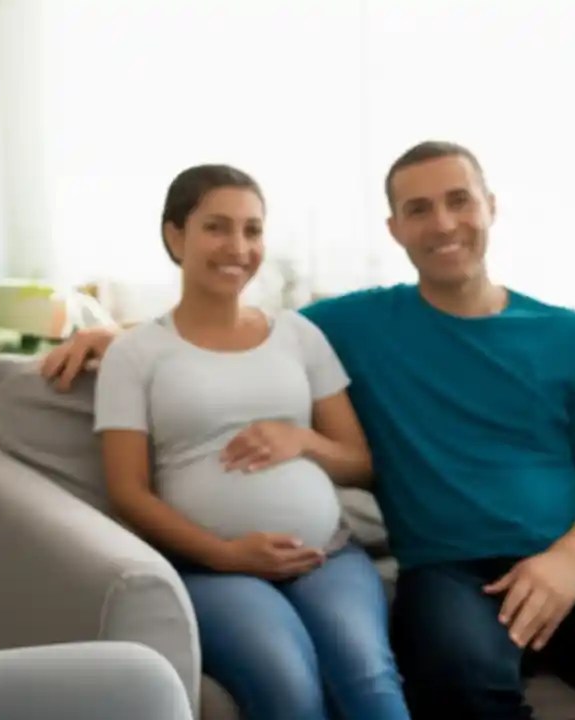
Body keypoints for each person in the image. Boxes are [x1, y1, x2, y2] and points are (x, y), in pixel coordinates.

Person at [43, 142, 575, 719]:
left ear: (490, 207)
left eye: (459, 201)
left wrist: (567, 562)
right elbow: (228, 327)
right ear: (395, 228)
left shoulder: (571, 338)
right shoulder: (357, 324)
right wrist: (114, 333)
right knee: (455, 688)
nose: (442, 224)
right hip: (451, 572)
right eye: (419, 209)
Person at [94, 164, 410, 720]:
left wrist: (302, 439)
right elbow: (128, 491)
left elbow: (360, 462)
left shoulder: (298, 335)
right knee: (288, 691)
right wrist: (227, 554)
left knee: (372, 688)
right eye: (217, 227)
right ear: (175, 236)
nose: (237, 246)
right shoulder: (136, 353)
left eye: (252, 229)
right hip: (213, 568)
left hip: (328, 557)